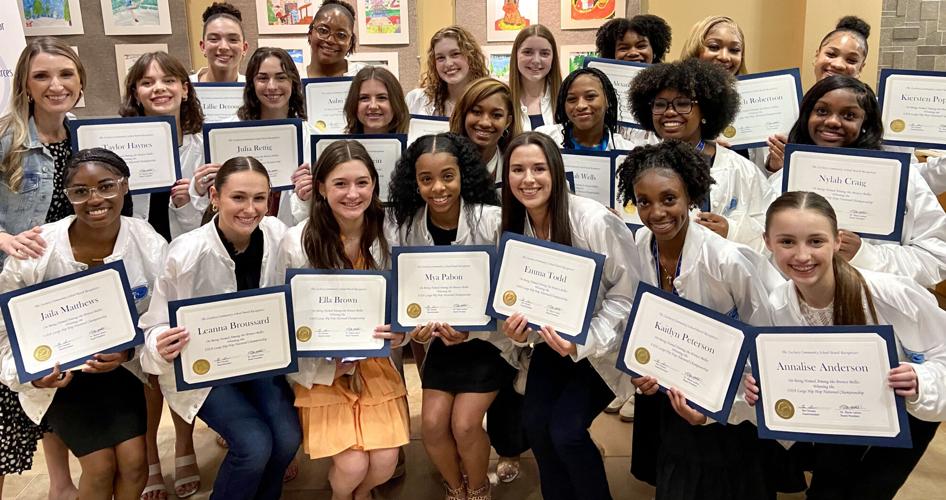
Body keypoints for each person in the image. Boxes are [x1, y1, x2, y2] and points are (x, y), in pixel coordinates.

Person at [746, 191, 946, 499]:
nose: (802, 256)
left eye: (816, 241)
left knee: (869, 491)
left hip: (905, 415)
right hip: (836, 414)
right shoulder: (776, 306)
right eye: (787, 242)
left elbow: (942, 354)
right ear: (767, 241)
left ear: (838, 241)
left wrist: (921, 379)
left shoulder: (889, 293)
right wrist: (760, 387)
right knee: (827, 489)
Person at [616, 140, 783, 498]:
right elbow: (641, 318)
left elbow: (765, 337)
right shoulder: (640, 243)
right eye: (643, 201)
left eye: (669, 199)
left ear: (691, 196)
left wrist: (727, 404)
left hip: (728, 396)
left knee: (724, 481)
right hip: (672, 391)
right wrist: (640, 370)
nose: (656, 212)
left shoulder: (728, 260)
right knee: (678, 476)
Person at [1, 148, 169, 500]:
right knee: (100, 467)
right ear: (68, 196)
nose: (95, 199)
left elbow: (160, 317)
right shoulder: (39, 248)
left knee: (136, 464)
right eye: (80, 191)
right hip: (62, 380)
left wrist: (128, 351)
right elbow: (5, 329)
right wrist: (31, 370)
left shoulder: (149, 244)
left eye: (107, 187)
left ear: (125, 187)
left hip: (120, 372)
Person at [139, 157, 300, 500]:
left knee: (286, 439)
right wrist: (158, 346)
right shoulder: (186, 252)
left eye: (259, 198)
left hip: (260, 363)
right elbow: (154, 327)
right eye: (238, 197)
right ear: (214, 196)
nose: (250, 208)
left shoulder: (276, 235)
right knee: (254, 445)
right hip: (205, 372)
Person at [500, 132, 640, 500]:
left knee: (566, 431)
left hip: (601, 349)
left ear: (557, 172)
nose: (528, 179)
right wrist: (518, 332)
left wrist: (585, 340)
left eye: (538, 168)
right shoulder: (517, 227)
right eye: (517, 170)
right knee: (535, 425)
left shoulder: (593, 220)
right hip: (551, 345)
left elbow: (628, 294)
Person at [275, 140, 409, 499]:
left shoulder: (390, 234)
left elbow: (405, 308)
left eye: (362, 183)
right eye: (340, 184)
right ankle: (343, 495)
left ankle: (361, 493)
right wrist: (317, 369)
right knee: (351, 465)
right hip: (319, 371)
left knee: (383, 462)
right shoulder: (294, 243)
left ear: (374, 186)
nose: (353, 194)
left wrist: (400, 335)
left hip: (374, 367)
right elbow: (278, 319)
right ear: (320, 187)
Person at [388, 133, 515, 498]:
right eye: (426, 179)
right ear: (415, 182)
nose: (438, 188)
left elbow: (510, 297)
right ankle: (455, 487)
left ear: (465, 176)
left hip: (491, 341)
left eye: (448, 176)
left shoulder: (492, 220)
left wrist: (471, 332)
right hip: (444, 345)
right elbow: (408, 294)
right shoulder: (408, 225)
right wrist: (417, 330)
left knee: (463, 424)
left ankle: (477, 490)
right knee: (430, 425)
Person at [0, 37, 87, 500]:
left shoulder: (83, 137)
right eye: (42, 76)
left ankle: (59, 483)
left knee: (51, 380)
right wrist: (2, 238)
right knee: (6, 406)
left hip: (63, 283)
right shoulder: (7, 138)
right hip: (14, 282)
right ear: (25, 85)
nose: (56, 85)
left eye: (65, 75)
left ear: (79, 81)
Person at [628, 58, 776, 253]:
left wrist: (731, 230)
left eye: (683, 104)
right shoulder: (640, 168)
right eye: (660, 104)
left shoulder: (740, 170)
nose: (670, 112)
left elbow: (773, 229)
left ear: (705, 111)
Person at [290, 65, 411, 225]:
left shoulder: (411, 152)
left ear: (396, 103)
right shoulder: (333, 149)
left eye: (382, 97)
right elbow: (309, 215)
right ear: (354, 104)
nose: (373, 105)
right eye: (364, 98)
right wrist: (305, 197)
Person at [762, 16, 871, 174]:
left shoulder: (873, 114)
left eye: (851, 60)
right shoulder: (783, 106)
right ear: (816, 55)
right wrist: (775, 167)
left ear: (861, 68)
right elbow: (758, 176)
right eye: (831, 54)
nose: (838, 65)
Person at [119, 51, 206, 240]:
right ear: (135, 94)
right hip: (135, 249)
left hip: (187, 252)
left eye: (168, 81)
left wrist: (186, 204)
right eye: (147, 83)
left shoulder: (204, 150)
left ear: (185, 90)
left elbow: (210, 225)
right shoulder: (119, 149)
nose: (158, 88)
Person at [534, 67, 633, 151]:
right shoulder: (543, 139)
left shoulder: (626, 150)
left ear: (608, 101)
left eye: (590, 97)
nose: (580, 106)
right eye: (571, 99)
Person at [406, 26, 489, 117]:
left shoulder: (489, 99)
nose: (448, 63)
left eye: (455, 54)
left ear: (471, 56)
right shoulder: (416, 100)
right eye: (440, 58)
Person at [449, 78, 520, 181]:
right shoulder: (443, 162)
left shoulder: (515, 166)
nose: (485, 123)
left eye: (496, 115)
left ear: (507, 122)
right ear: (463, 114)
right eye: (477, 112)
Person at [508, 25, 561, 132]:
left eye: (544, 53)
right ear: (516, 55)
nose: (536, 60)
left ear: (553, 58)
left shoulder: (566, 99)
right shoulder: (502, 98)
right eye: (528, 52)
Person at [190, 2, 248, 83]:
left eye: (233, 40)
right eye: (214, 39)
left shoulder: (254, 89)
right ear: (203, 46)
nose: (223, 47)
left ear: (244, 48)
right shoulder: (183, 88)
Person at [305, 0, 363, 78]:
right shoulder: (293, 80)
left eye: (341, 35)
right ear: (310, 33)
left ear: (350, 43)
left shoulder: (365, 76)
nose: (330, 40)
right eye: (323, 30)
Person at [679, 16, 747, 76]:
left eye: (734, 50)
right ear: (694, 51)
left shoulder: (751, 88)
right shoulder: (674, 89)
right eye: (714, 47)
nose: (724, 57)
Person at [595, 14, 672, 64]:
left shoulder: (668, 83)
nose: (633, 53)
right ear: (612, 54)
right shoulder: (601, 84)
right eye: (624, 48)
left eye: (641, 46)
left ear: (654, 50)